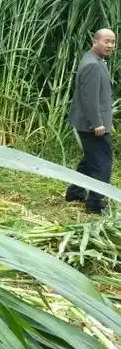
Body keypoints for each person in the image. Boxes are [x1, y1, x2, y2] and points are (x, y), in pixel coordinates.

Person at [65, 28, 116, 214]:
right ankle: (96, 203)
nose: (110, 45)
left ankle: (75, 192)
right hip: (93, 125)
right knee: (102, 163)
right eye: (107, 41)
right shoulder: (93, 64)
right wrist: (97, 123)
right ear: (95, 41)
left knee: (90, 160)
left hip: (92, 123)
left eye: (113, 42)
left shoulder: (96, 60)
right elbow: (89, 98)